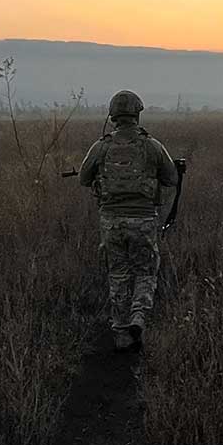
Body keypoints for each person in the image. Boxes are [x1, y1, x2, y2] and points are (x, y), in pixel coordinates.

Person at [74, 89, 180, 351]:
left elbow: (83, 179)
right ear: (137, 114)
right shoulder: (153, 146)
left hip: (111, 222)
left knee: (118, 274)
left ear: (113, 116)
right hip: (143, 220)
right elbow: (171, 179)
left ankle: (121, 333)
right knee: (145, 272)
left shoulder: (102, 146)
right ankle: (138, 316)